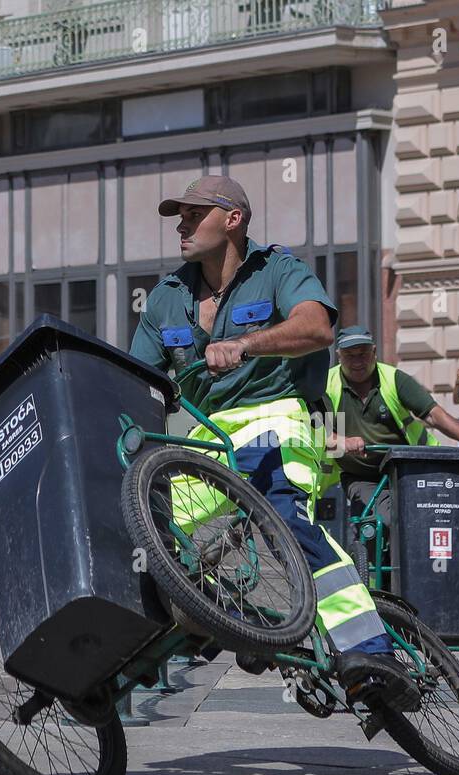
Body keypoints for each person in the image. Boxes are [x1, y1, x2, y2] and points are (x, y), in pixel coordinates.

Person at [130, 174, 419, 711]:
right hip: (207, 434)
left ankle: (373, 652)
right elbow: (136, 381)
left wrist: (245, 344)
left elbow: (315, 328)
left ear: (233, 219)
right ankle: (227, 622)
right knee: (146, 524)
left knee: (283, 517)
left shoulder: (277, 270)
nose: (182, 223)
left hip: (279, 418)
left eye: (194, 213)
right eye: (179, 215)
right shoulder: (167, 297)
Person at [322, 325, 459, 530]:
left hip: (410, 470)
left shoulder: (393, 379)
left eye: (363, 354)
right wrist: (344, 442)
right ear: (339, 356)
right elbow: (322, 434)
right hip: (362, 476)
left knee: (443, 514)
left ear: (374, 352)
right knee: (381, 522)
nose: (357, 361)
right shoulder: (327, 386)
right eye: (350, 355)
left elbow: (434, 414)